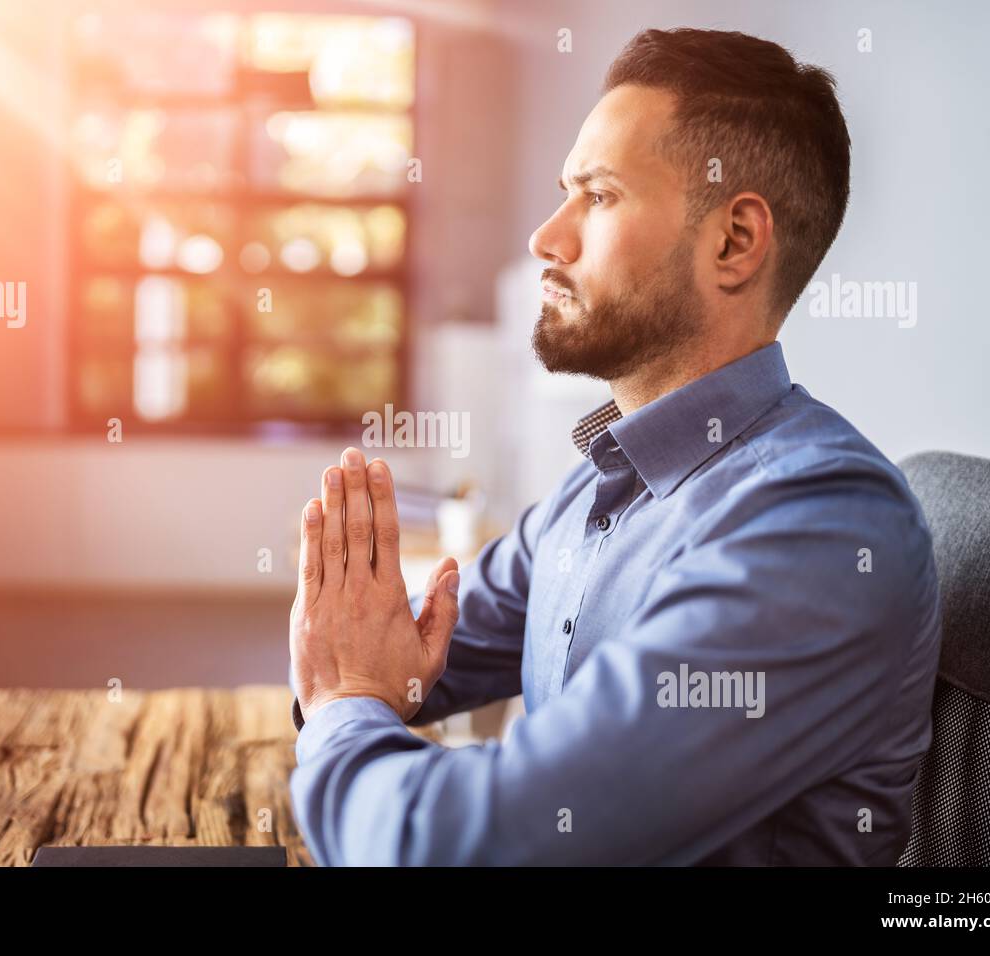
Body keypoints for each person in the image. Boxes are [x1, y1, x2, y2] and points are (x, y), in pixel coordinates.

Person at [286, 28, 941, 865]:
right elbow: (380, 658)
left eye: (598, 196)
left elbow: (462, 849)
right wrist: (346, 675)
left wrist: (342, 708)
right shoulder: (601, 486)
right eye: (566, 192)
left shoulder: (823, 527)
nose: (547, 238)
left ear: (734, 243)